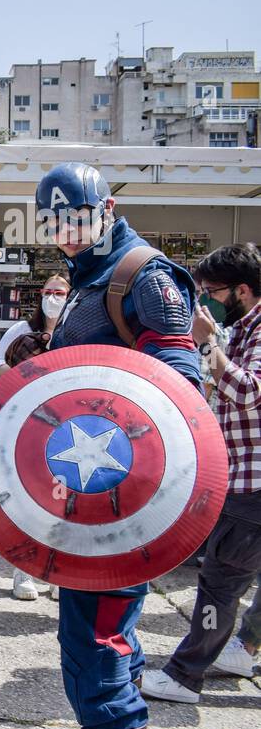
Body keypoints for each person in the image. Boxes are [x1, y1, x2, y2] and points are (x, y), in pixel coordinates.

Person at [23, 162, 200, 729]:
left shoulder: (143, 276)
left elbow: (179, 391)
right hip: (93, 490)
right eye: (55, 223)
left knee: (96, 635)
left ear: (107, 208)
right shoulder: (91, 274)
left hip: (127, 495)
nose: (66, 233)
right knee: (102, 628)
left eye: (76, 218)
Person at [140, 244, 261, 700]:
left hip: (252, 486)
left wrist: (208, 343)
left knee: (219, 583)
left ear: (242, 290)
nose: (207, 301)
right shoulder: (244, 329)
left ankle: (185, 674)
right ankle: (235, 650)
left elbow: (248, 392)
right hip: (243, 478)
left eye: (212, 292)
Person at [0, 274, 70, 600]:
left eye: (59, 292)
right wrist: (23, 374)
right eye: (48, 291)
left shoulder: (74, 331)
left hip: (66, 427)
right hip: (28, 424)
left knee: (65, 503)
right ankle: (23, 573)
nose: (53, 296)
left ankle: (59, 576)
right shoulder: (22, 331)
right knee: (30, 500)